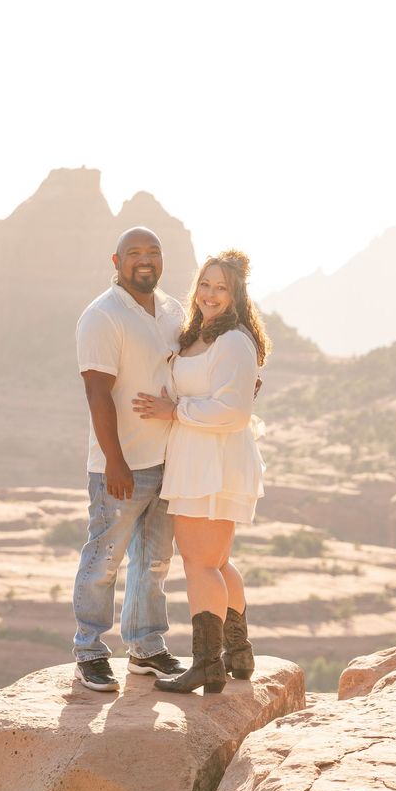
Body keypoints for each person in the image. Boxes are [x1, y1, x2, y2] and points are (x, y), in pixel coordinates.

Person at [133, 251, 270, 694]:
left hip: (215, 463)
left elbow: (233, 412)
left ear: (236, 295)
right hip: (195, 460)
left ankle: (207, 665)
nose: (210, 294)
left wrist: (176, 411)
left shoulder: (233, 340)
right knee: (215, 561)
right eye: (206, 284)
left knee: (200, 564)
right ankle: (238, 652)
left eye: (221, 287)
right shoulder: (197, 336)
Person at [71, 227, 188, 692]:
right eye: (135, 253)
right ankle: (89, 651)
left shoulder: (172, 311)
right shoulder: (102, 316)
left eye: (153, 252)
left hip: (170, 458)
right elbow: (97, 394)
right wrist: (114, 461)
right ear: (115, 261)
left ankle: (145, 647)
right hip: (121, 465)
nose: (146, 260)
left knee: (155, 561)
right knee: (104, 560)